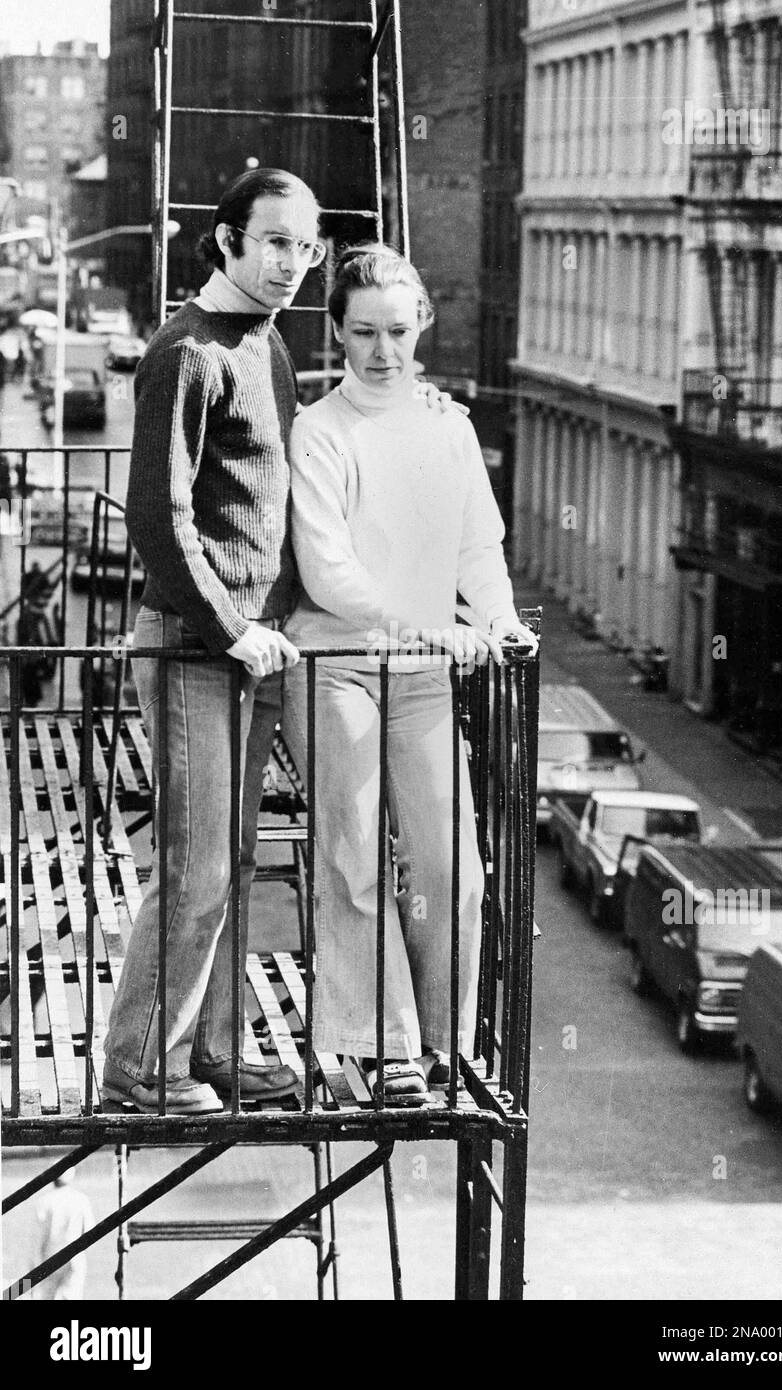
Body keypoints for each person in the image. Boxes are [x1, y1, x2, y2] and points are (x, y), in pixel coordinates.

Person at [104, 171, 461, 1115]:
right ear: (224, 242)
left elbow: (279, 516)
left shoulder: (264, 350)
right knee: (198, 864)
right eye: (272, 242)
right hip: (194, 644)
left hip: (256, 647)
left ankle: (213, 1054)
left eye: (305, 248)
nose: (291, 264)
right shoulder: (185, 352)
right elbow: (157, 514)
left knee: (236, 864)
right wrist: (231, 630)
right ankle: (142, 1069)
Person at [281, 245, 537, 1102]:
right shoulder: (319, 432)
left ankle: (444, 1043)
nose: (383, 351)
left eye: (397, 330)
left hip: (422, 677)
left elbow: (477, 547)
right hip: (336, 669)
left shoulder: (449, 426)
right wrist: (427, 627)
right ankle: (383, 1047)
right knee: (353, 854)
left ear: (421, 322)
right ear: (338, 334)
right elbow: (327, 573)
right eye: (363, 333)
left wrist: (496, 619)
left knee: (449, 866)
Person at [35, 1169, 94, 1301]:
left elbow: (39, 1237)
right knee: (71, 1296)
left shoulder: (44, 1201)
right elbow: (89, 1230)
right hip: (74, 1256)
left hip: (49, 1257)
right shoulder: (81, 1199)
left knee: (47, 1297)